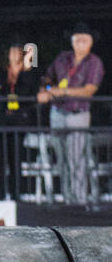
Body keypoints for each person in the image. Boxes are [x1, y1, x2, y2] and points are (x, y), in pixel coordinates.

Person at [38, 23, 104, 206]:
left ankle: (79, 199)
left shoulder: (94, 62)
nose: (81, 43)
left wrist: (63, 92)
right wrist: (45, 89)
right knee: (62, 158)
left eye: (85, 40)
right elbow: (47, 77)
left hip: (78, 113)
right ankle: (67, 198)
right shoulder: (62, 58)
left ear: (90, 43)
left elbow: (89, 90)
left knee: (76, 157)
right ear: (72, 41)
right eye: (77, 39)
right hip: (58, 112)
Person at [0, 42, 40, 202]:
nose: (15, 55)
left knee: (16, 158)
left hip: (19, 121)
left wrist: (25, 70)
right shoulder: (0, 72)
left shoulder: (29, 73)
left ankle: (17, 195)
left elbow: (26, 93)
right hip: (1, 120)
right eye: (12, 52)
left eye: (18, 52)